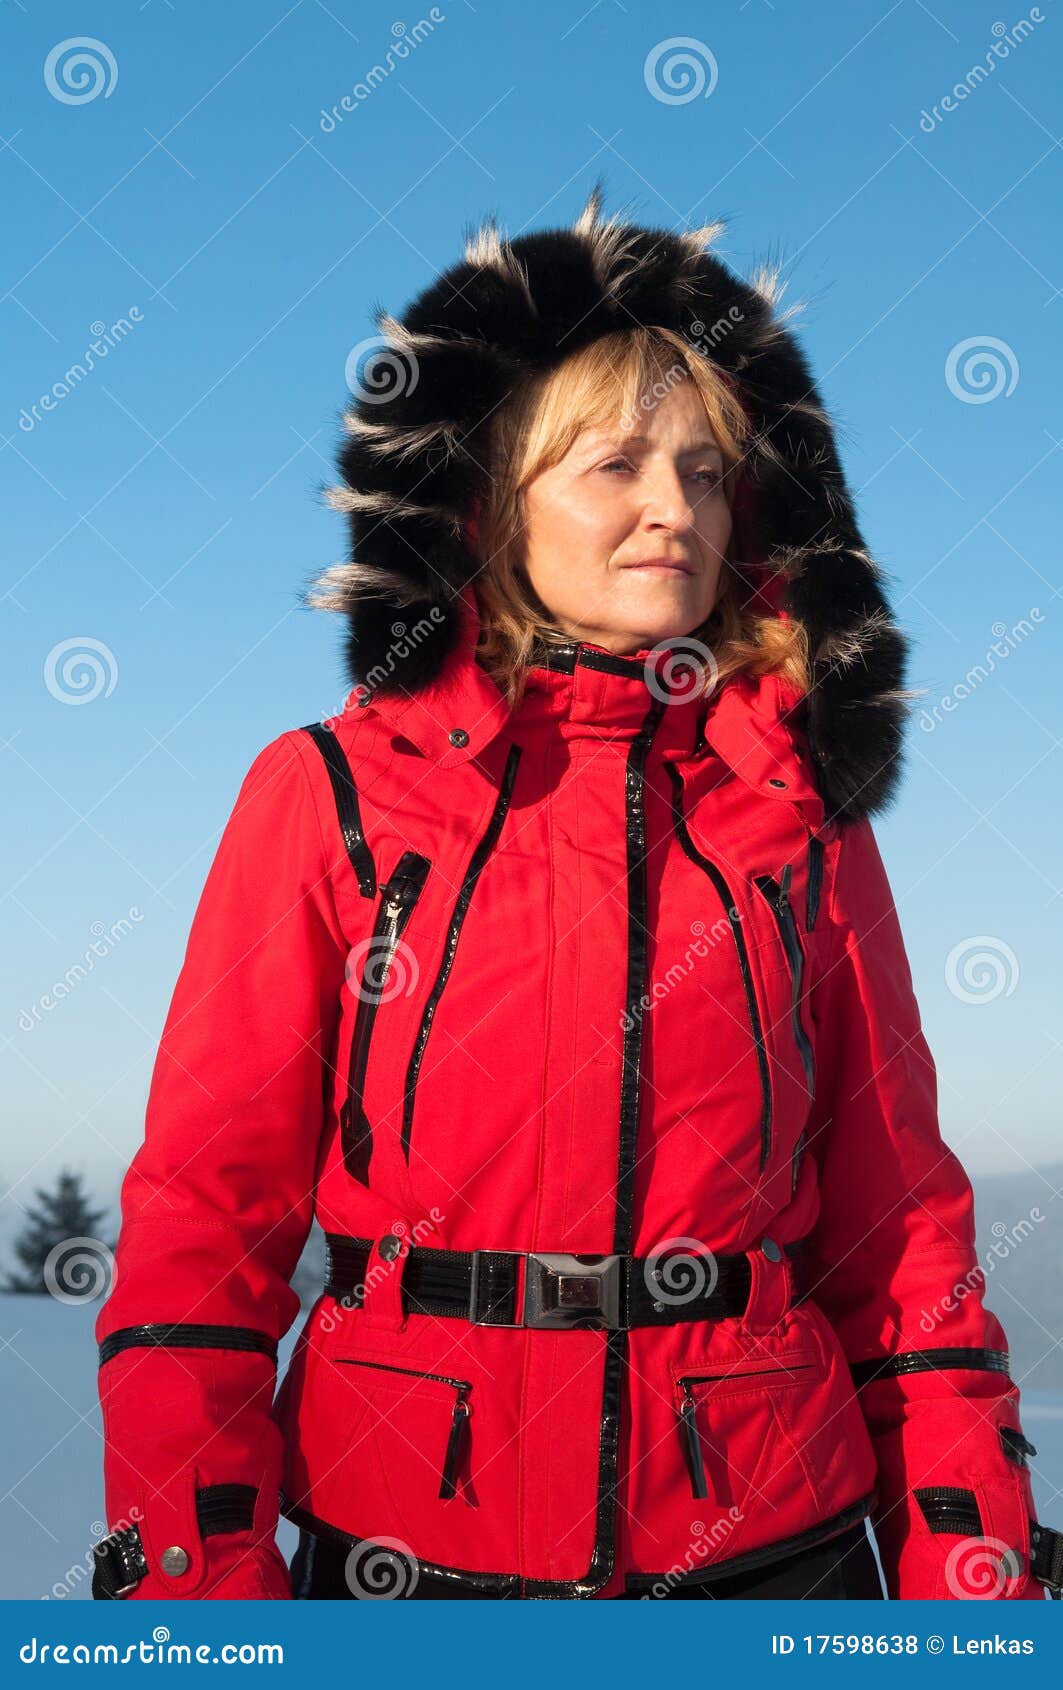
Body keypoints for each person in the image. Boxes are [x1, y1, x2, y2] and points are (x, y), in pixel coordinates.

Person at [91, 187, 1062, 1602]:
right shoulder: (334, 793)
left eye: (707, 471)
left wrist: (971, 1549)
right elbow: (205, 1221)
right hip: (412, 1562)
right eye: (617, 463)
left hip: (772, 1559)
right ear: (491, 501)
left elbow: (899, 1222)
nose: (677, 508)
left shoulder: (796, 811)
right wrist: (192, 1578)